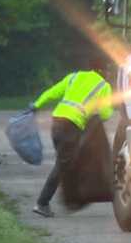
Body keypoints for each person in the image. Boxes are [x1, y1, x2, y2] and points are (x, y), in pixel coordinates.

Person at [31, 57, 113, 217]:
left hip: (57, 123)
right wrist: (95, 113)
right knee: (63, 165)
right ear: (102, 71)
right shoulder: (104, 86)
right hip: (71, 127)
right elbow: (105, 114)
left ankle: (71, 198)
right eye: (108, 70)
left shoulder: (74, 77)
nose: (109, 74)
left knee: (66, 162)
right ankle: (42, 203)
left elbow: (52, 93)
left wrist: (36, 104)